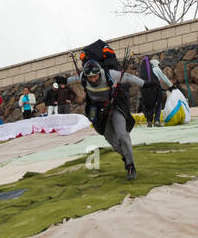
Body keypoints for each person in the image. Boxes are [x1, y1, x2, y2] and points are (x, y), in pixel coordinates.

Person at [68, 43, 165, 180]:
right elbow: (72, 79)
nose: (93, 79)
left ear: (99, 72)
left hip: (115, 108)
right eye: (90, 78)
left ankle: (130, 166)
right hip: (101, 113)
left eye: (95, 77)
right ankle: (126, 157)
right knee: (111, 138)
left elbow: (128, 78)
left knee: (121, 134)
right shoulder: (84, 77)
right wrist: (62, 81)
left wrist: (145, 84)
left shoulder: (110, 74)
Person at [138, 56, 171, 127]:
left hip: (146, 90)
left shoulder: (146, 72)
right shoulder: (156, 69)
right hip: (156, 89)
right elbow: (163, 78)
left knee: (149, 105)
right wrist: (171, 85)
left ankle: (149, 121)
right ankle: (156, 120)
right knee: (158, 104)